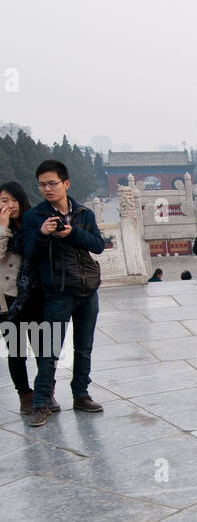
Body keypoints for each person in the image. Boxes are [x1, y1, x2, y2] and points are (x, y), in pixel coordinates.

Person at [22, 159, 106, 427]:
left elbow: (98, 245)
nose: (47, 189)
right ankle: (41, 402)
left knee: (84, 347)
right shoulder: (34, 217)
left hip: (87, 289)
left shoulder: (84, 213)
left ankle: (81, 394)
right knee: (49, 350)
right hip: (57, 292)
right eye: (42, 185)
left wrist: (72, 234)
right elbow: (29, 253)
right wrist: (42, 233)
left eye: (52, 183)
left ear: (65, 184)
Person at [0, 181, 42, 413]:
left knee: (42, 347)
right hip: (8, 299)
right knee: (16, 350)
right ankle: (25, 395)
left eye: (14, 200)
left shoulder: (31, 222)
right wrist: (2, 227)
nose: (10, 205)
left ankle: (46, 391)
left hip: (35, 294)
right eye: (4, 201)